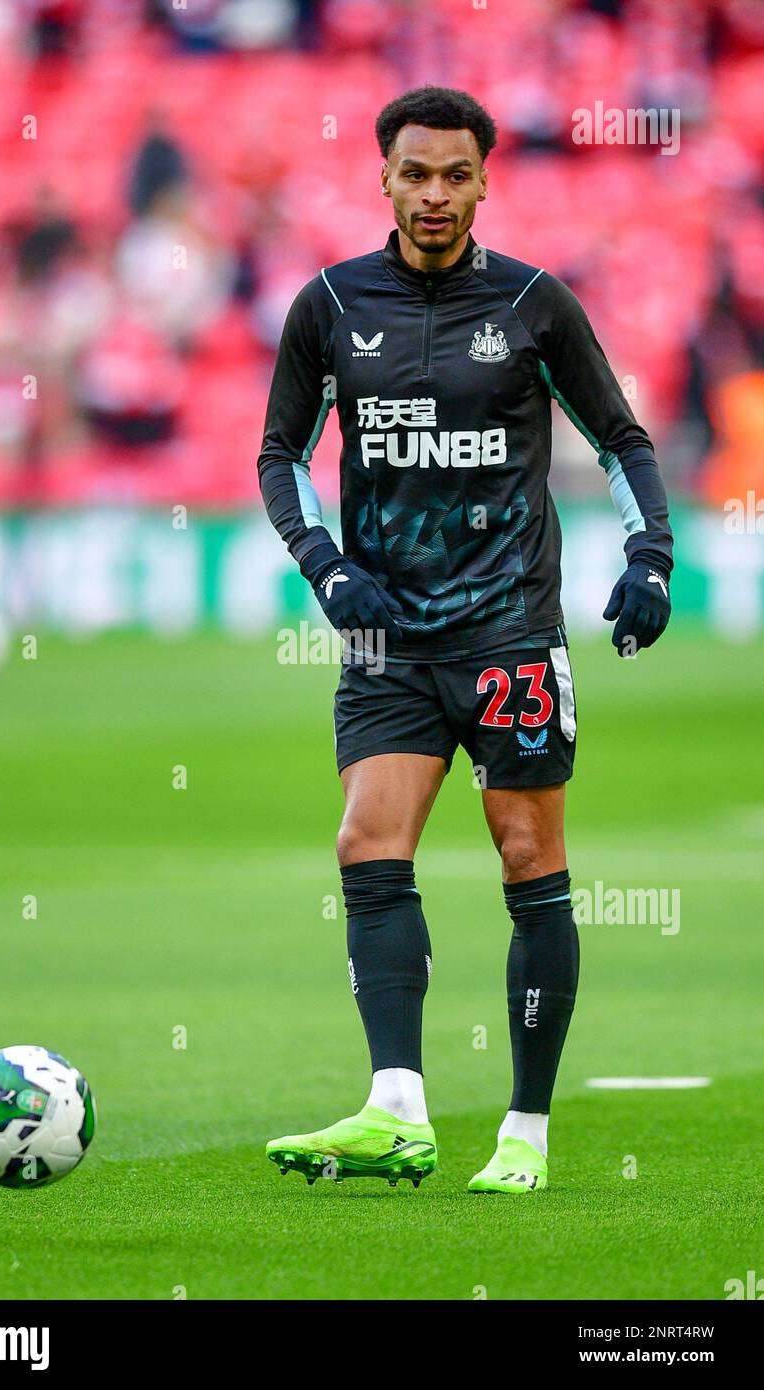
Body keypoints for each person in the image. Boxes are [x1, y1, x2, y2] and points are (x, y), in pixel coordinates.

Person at [256, 86, 672, 1193]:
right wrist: (326, 567)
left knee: (528, 860)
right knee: (364, 845)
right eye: (413, 174)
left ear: (485, 179)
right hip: (388, 638)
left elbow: (620, 435)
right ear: (381, 178)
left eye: (453, 174)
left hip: (508, 636)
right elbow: (279, 456)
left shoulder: (535, 305)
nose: (433, 194)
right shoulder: (330, 305)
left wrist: (650, 558)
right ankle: (397, 1106)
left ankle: (525, 1131)